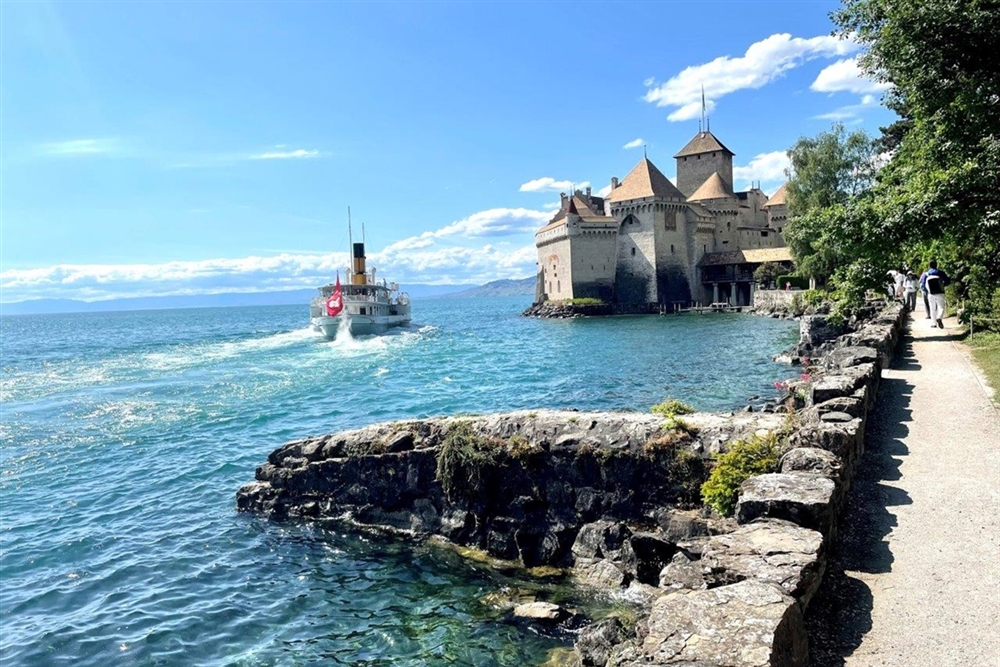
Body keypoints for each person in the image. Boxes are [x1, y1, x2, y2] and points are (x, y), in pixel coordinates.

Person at [920, 260, 950, 329]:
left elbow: (923, 285)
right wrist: (942, 286)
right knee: (941, 307)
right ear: (936, 265)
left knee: (932, 308)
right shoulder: (940, 273)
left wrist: (927, 291)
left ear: (929, 266)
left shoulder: (926, 274)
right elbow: (947, 281)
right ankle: (939, 317)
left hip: (930, 293)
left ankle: (934, 324)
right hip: (940, 292)